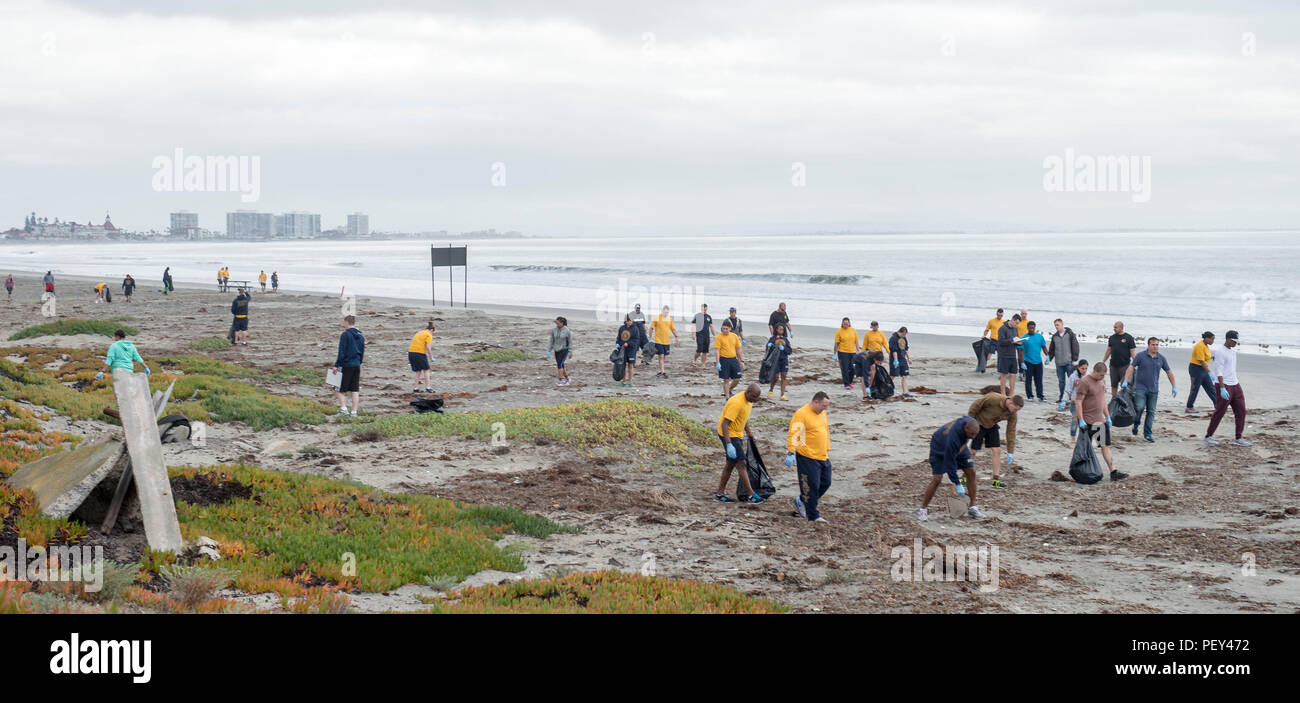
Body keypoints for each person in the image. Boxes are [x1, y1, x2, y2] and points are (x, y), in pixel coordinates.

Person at [918, 416, 984, 521]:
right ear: (965, 428)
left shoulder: (971, 423)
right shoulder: (953, 439)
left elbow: (973, 431)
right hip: (939, 448)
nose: (973, 437)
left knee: (971, 472)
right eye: (971, 434)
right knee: (937, 479)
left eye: (976, 434)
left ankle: (973, 507)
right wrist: (957, 483)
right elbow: (950, 464)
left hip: (961, 447)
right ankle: (923, 509)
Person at [1074, 362, 1128, 480]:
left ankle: (1113, 471)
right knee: (1086, 448)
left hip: (1100, 421)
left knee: (1105, 445)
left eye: (1104, 375)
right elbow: (1078, 402)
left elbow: (1102, 400)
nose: (1102, 377)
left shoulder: (1102, 381)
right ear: (1095, 371)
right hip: (1087, 421)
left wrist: (1107, 416)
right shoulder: (1084, 382)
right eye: (1101, 375)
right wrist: (1081, 419)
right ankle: (1083, 471)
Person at [714, 383, 764, 504]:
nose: (755, 400)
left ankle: (719, 494)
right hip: (729, 434)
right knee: (741, 463)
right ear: (748, 392)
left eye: (757, 397)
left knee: (731, 464)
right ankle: (751, 495)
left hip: (737, 434)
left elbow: (743, 417)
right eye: (754, 397)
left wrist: (749, 432)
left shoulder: (749, 401)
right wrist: (729, 444)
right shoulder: (736, 403)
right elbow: (724, 424)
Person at [787, 391, 832, 522]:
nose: (825, 409)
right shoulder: (802, 414)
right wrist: (791, 452)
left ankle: (802, 501)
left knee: (826, 482)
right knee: (811, 486)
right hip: (807, 456)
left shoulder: (822, 413)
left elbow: (825, 430)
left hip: (822, 455)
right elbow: (795, 434)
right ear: (815, 402)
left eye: (826, 406)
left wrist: (827, 447)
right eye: (823, 405)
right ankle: (813, 516)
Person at [1121, 337, 1177, 443]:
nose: (1155, 347)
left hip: (1154, 390)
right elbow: (1131, 367)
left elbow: (1169, 372)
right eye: (1153, 345)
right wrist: (1126, 380)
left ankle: (1148, 434)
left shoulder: (1161, 358)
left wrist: (1174, 386)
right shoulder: (1140, 356)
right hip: (1140, 388)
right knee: (1139, 408)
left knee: (1151, 412)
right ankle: (1136, 423)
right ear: (1148, 345)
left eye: (1157, 345)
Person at [967, 392, 1024, 489]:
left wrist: (1010, 451)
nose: (1015, 412)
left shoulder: (1013, 414)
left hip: (992, 425)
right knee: (973, 452)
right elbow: (975, 405)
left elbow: (1011, 431)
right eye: (1015, 409)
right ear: (1010, 403)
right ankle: (965, 477)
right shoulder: (993, 398)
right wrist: (970, 422)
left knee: (997, 450)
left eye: (1017, 410)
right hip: (978, 423)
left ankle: (996, 480)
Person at [1205, 330, 1250, 447]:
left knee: (1241, 411)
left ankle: (1238, 438)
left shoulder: (1233, 352)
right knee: (1220, 411)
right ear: (1228, 339)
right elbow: (1218, 371)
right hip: (1224, 385)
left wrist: (1235, 384)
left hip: (1235, 384)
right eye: (1234, 341)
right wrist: (1222, 388)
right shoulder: (1220, 352)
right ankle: (1208, 436)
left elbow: (1230, 369)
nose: (1236, 343)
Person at [333, 315, 365, 416]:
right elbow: (362, 351)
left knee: (338, 388)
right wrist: (359, 362)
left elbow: (341, 351)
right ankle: (354, 412)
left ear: (346, 322)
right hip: (356, 364)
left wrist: (336, 365)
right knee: (354, 389)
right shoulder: (360, 335)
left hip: (346, 364)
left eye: (344, 323)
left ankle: (344, 409)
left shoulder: (345, 334)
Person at [1047, 318, 1080, 404]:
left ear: (1062, 324)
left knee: (1072, 380)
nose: (1056, 327)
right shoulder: (1054, 337)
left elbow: (1075, 346)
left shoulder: (1070, 334)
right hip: (1059, 363)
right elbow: (1052, 350)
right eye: (1055, 325)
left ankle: (1072, 397)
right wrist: (1049, 358)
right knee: (1061, 381)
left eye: (1057, 325)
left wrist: (1075, 359)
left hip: (1069, 362)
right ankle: (1062, 397)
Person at [1186, 331, 1216, 413]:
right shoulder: (1199, 346)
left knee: (1211, 388)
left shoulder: (1206, 346)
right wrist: (1209, 372)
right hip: (1196, 369)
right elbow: (1201, 361)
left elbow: (1205, 357)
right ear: (1206, 338)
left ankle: (1218, 405)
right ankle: (1189, 407)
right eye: (1212, 339)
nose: (1213, 341)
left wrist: (1212, 357)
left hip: (1203, 369)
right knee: (1195, 388)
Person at [1102, 321, 1136, 394]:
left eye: (1115, 327)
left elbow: (1132, 352)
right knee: (1113, 385)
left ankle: (1123, 401)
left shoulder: (1129, 338)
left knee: (1124, 386)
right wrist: (1103, 361)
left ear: (1121, 328)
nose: (1114, 329)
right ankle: (1113, 399)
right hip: (1113, 365)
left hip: (1125, 366)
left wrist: (1136, 363)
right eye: (1114, 327)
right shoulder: (1112, 338)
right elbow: (1108, 350)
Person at [1019, 321, 1048, 402]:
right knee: (1028, 380)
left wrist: (1047, 356)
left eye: (1033, 328)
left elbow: (1044, 347)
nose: (1032, 329)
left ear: (1035, 328)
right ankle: (1030, 396)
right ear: (1027, 328)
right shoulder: (1023, 338)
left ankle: (1040, 396)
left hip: (1038, 362)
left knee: (1039, 380)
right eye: (1030, 328)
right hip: (1028, 361)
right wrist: (1022, 362)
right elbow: (1021, 351)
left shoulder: (1039, 337)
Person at [714, 321, 744, 397]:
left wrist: (741, 361)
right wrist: (717, 362)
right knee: (726, 380)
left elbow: (738, 349)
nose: (725, 330)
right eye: (723, 329)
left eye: (726, 329)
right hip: (724, 360)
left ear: (730, 328)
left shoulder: (734, 336)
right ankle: (727, 397)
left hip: (733, 359)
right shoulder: (719, 337)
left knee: (737, 378)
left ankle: (729, 389)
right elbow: (717, 350)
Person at [1061, 359, 1089, 437]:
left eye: (1086, 368)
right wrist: (1064, 400)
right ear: (1078, 367)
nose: (1084, 370)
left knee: (1084, 421)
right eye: (1082, 368)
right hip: (1074, 402)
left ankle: (1082, 437)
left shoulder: (1088, 377)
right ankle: (1073, 436)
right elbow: (1068, 390)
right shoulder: (1073, 377)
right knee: (1075, 419)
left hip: (1085, 402)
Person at [649, 305, 678, 378]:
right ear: (662, 311)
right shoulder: (657, 318)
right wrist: (650, 337)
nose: (666, 313)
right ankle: (663, 372)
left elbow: (673, 329)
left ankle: (660, 370)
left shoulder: (670, 319)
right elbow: (651, 328)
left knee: (663, 356)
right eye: (665, 312)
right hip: (658, 340)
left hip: (666, 341)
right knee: (661, 356)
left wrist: (676, 337)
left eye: (667, 312)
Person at [616, 315, 645, 386]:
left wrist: (628, 343)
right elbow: (619, 338)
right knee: (623, 365)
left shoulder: (635, 329)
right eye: (628, 321)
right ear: (625, 321)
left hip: (631, 350)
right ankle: (623, 381)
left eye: (631, 321)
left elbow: (636, 340)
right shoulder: (622, 328)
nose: (629, 322)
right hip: (623, 349)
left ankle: (631, 382)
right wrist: (618, 344)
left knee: (630, 365)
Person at [996, 314, 1021, 397]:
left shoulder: (1015, 329)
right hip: (1004, 355)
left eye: (1018, 324)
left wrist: (1019, 342)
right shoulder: (1002, 328)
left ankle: (1011, 393)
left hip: (1013, 355)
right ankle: (1003, 393)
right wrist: (1012, 340)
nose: (1016, 325)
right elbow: (1001, 342)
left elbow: (1015, 340)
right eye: (1016, 323)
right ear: (1012, 320)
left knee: (1013, 374)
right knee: (1004, 375)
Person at [766, 323, 792, 400]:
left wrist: (784, 349)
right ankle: (771, 390)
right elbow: (767, 350)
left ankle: (782, 395)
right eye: (780, 329)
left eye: (783, 329)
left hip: (784, 360)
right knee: (776, 377)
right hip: (775, 360)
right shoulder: (772, 339)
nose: (781, 330)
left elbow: (790, 351)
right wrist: (769, 346)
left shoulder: (785, 339)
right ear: (776, 329)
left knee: (784, 376)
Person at [832, 317, 860, 389]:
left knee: (853, 369)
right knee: (845, 368)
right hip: (842, 352)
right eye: (844, 324)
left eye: (847, 324)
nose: (846, 325)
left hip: (852, 352)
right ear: (842, 323)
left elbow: (856, 341)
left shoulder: (853, 330)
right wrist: (835, 353)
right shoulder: (839, 331)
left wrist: (858, 351)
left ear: (849, 323)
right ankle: (846, 384)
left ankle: (850, 382)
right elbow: (836, 343)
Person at [408, 320, 435, 393]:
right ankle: (428, 387)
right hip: (419, 353)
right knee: (426, 370)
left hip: (411, 353)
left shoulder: (419, 332)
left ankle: (415, 388)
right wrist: (431, 357)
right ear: (431, 330)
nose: (432, 334)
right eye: (433, 333)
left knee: (418, 371)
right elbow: (428, 347)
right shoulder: (428, 334)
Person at [977, 308, 1005, 373]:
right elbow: (987, 330)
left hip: (1000, 342)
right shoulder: (991, 321)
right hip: (993, 341)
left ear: (1003, 314)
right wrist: (984, 335)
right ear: (996, 314)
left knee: (1001, 356)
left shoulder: (1004, 322)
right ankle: (982, 367)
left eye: (1001, 315)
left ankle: (1000, 369)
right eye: (999, 315)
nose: (1000, 316)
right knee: (988, 356)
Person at [888, 326, 913, 398]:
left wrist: (909, 358)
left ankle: (905, 392)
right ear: (900, 332)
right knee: (893, 375)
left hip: (903, 359)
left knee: (904, 375)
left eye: (905, 335)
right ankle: (885, 389)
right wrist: (895, 360)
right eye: (903, 334)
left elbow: (906, 349)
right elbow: (894, 350)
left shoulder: (904, 338)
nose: (904, 336)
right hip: (894, 359)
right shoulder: (893, 338)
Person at [548, 316, 572, 387]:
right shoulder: (554, 330)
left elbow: (570, 342)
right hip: (556, 350)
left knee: (559, 365)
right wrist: (549, 350)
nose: (556, 324)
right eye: (556, 323)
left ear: (562, 323)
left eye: (558, 323)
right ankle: (567, 379)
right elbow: (551, 340)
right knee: (561, 365)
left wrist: (570, 351)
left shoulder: (567, 330)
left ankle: (560, 381)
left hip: (564, 349)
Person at [691, 304, 716, 369]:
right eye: (703, 309)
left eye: (705, 309)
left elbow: (711, 326)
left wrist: (715, 335)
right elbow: (693, 325)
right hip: (699, 335)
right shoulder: (697, 316)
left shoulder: (708, 317)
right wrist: (693, 334)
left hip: (706, 336)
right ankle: (694, 359)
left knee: (705, 351)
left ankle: (703, 364)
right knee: (699, 351)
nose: (704, 310)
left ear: (706, 309)